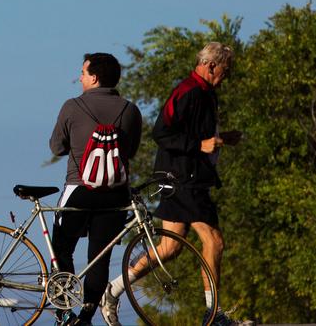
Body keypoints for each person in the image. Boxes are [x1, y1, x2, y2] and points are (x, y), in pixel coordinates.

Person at [100, 42, 245, 326]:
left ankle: (113, 291)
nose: (226, 76)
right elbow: (161, 133)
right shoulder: (188, 91)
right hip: (181, 179)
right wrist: (198, 144)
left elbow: (196, 136)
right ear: (210, 65)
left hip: (188, 177)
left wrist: (221, 138)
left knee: (169, 248)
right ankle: (212, 315)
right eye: (225, 70)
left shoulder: (207, 93)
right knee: (214, 240)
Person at [48, 53, 142, 326]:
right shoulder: (130, 110)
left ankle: (65, 312)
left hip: (79, 189)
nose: (80, 77)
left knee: (61, 249)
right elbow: (132, 151)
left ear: (94, 77)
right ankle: (86, 318)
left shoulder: (72, 106)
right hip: (115, 194)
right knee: (100, 256)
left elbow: (56, 147)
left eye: (83, 72)